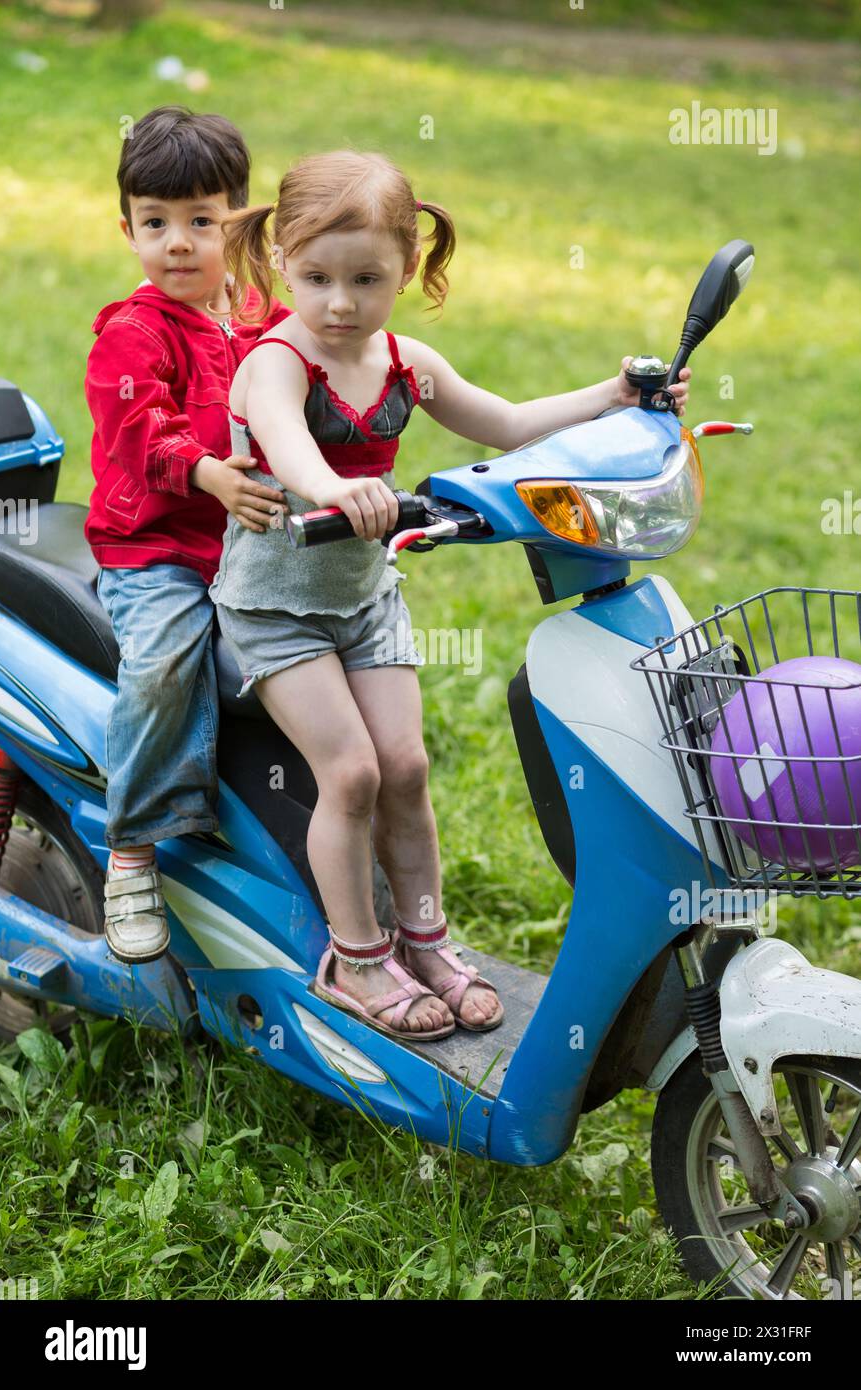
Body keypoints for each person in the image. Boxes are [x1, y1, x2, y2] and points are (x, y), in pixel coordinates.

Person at [210, 149, 691, 1039]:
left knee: (408, 767)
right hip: (275, 609)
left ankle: (425, 940)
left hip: (364, 598)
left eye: (367, 279)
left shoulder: (404, 362)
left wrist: (616, 397)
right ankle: (356, 959)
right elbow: (286, 446)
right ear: (282, 261)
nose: (341, 303)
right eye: (317, 278)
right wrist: (333, 489)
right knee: (349, 772)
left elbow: (504, 425)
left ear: (406, 269)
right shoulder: (277, 363)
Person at [84, 106, 288, 964]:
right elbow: (141, 428)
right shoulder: (131, 333)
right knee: (167, 659)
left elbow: (311, 383)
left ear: (234, 224)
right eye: (155, 223)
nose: (177, 243)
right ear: (126, 226)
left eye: (200, 222)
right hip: (157, 547)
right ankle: (130, 852)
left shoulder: (262, 319)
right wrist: (204, 471)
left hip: (250, 544)